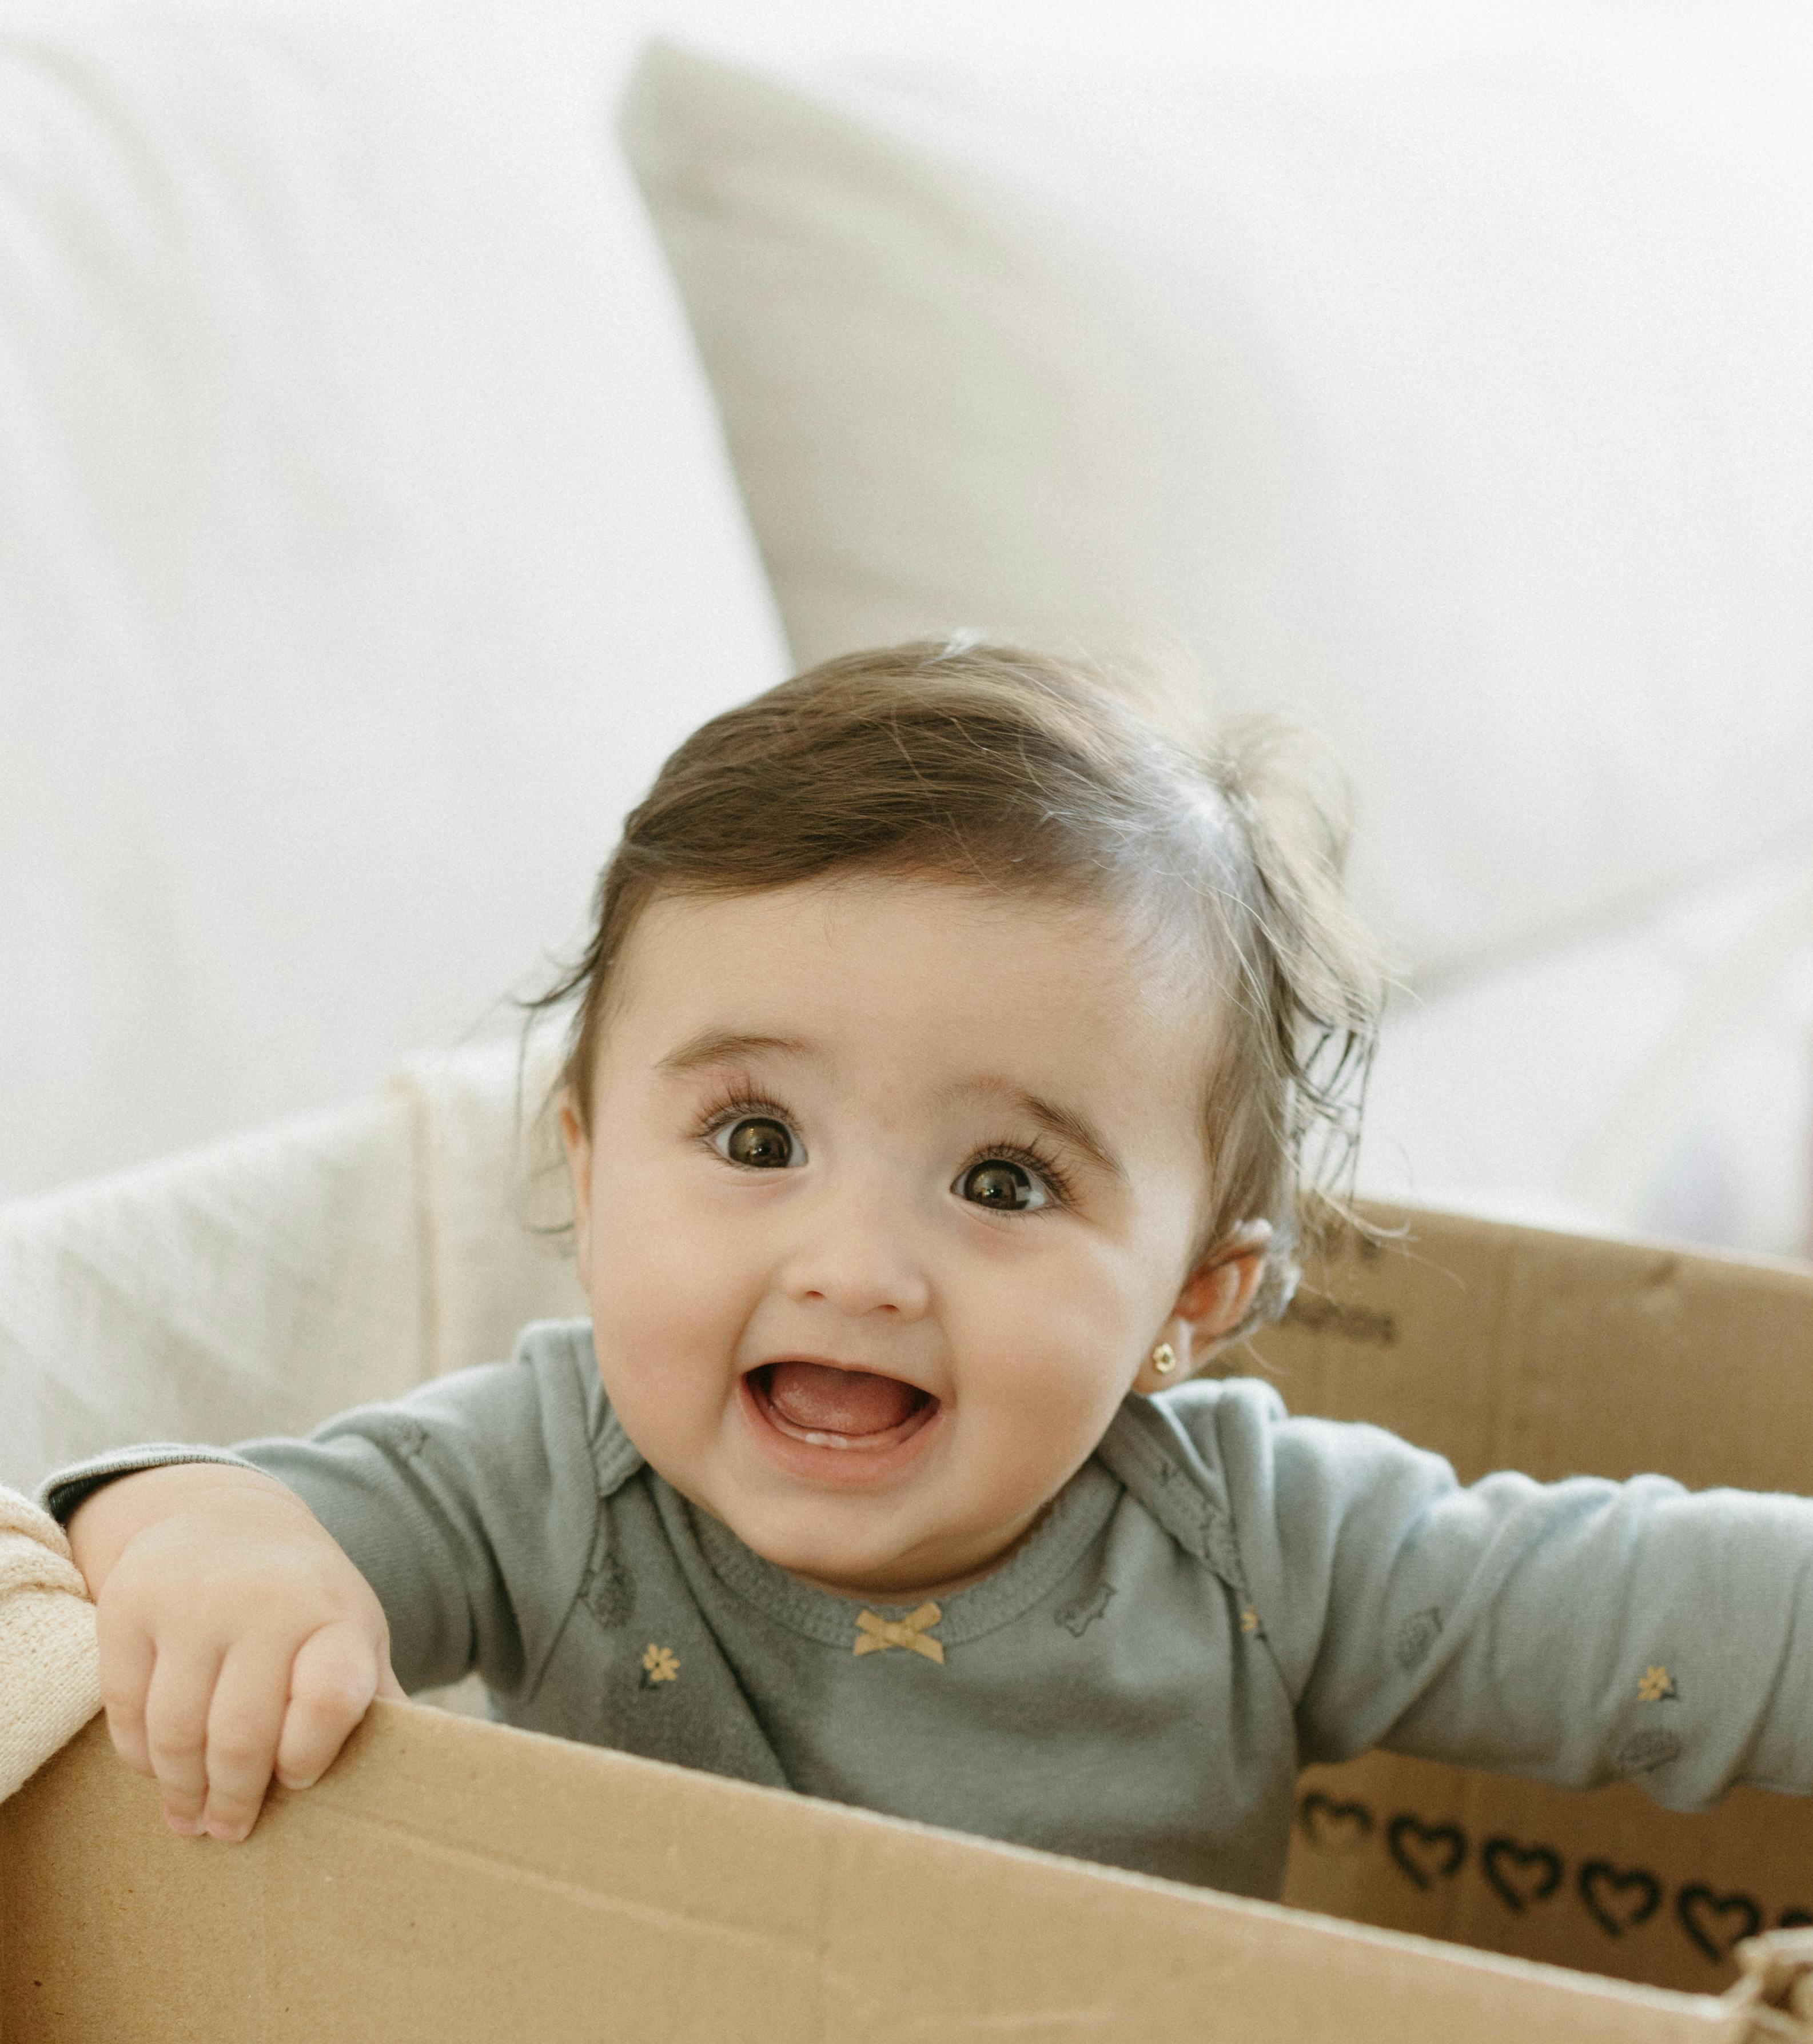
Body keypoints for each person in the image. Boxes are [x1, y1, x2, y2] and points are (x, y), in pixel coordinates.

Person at [43, 640, 1813, 1890]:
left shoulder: (1251, 1551)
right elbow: (191, 1505)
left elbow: (1633, 1612)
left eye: (1000, 1179)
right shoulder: (547, 1479)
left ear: (1186, 1304)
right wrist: (220, 1549)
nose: (858, 1265)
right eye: (757, 1140)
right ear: (583, 1171)